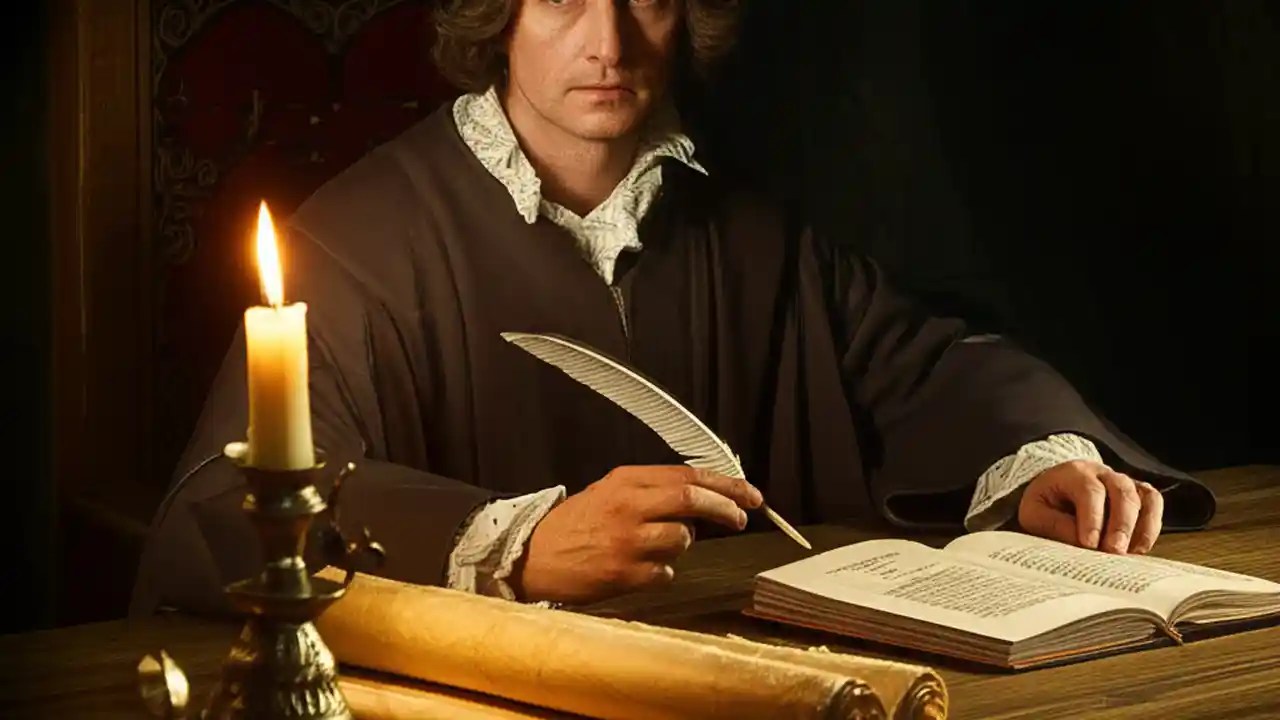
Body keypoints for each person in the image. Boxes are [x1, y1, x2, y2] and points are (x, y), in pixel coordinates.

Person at [130, 0, 1214, 616]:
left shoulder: (751, 227)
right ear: (494, 17)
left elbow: (924, 362)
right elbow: (223, 504)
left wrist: (1038, 463)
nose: (606, 43)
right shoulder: (360, 238)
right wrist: (505, 545)